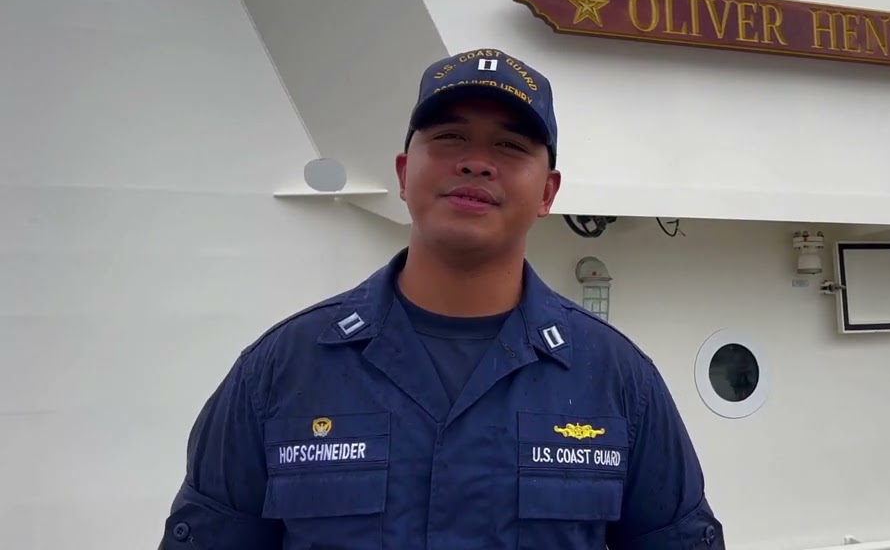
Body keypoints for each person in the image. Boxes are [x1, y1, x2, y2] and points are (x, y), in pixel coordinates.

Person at [160, 48, 725, 549]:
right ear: (404, 174)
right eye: (450, 138)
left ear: (548, 192)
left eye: (509, 145)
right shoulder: (281, 370)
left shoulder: (618, 381)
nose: (477, 162)